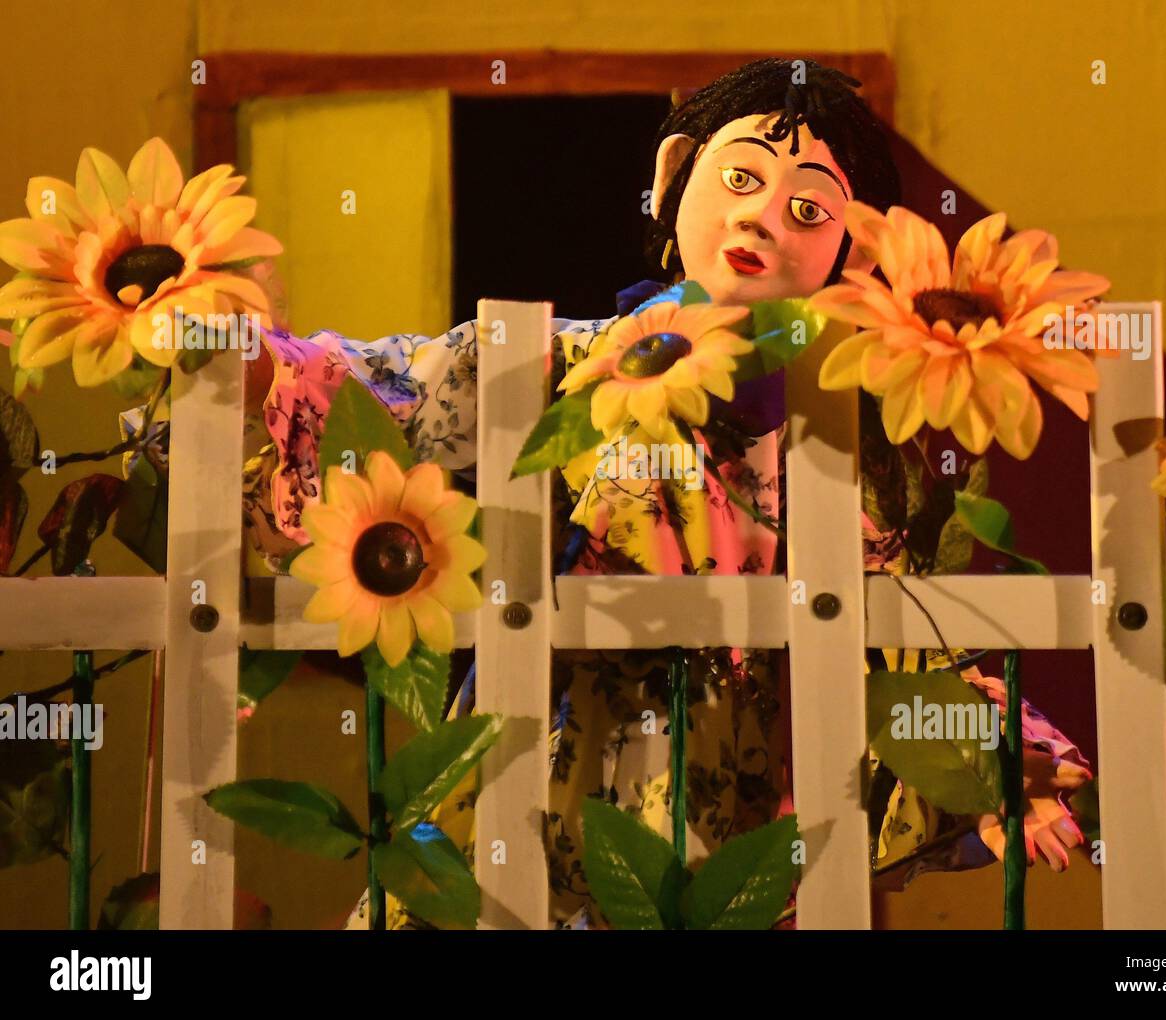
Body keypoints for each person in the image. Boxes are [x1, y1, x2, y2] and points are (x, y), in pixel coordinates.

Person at [241, 57, 1088, 929]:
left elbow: (901, 649)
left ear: (854, 250)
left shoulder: (844, 442)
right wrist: (259, 367)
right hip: (530, 782)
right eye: (741, 178)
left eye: (807, 207)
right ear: (672, 175)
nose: (762, 214)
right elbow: (379, 403)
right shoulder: (551, 365)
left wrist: (987, 761)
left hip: (727, 822)